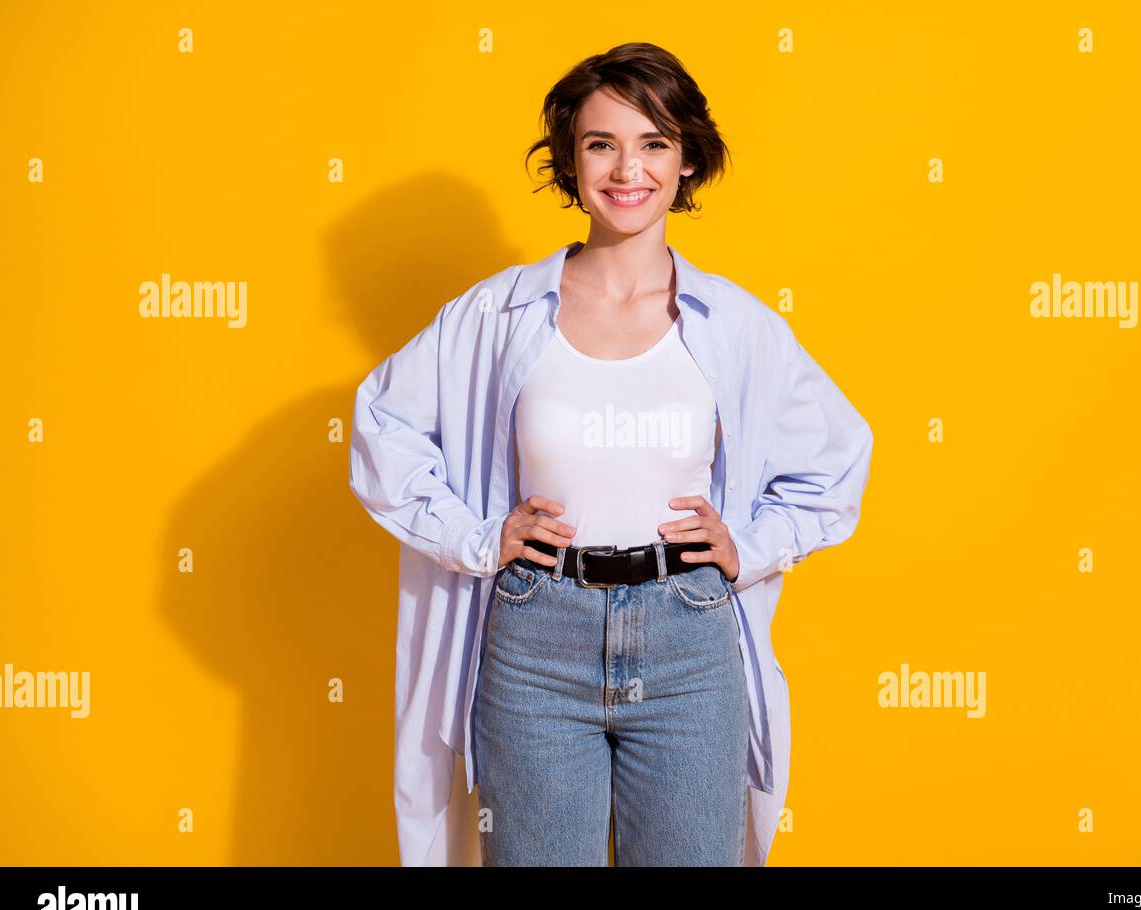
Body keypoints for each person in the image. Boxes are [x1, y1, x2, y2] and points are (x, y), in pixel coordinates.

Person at [349, 41, 873, 866]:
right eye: (602, 143)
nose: (628, 168)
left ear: (689, 161)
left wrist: (753, 548)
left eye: (655, 142)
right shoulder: (498, 313)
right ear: (570, 162)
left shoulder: (736, 326)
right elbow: (382, 422)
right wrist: (480, 540)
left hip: (690, 642)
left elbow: (838, 458)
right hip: (534, 639)